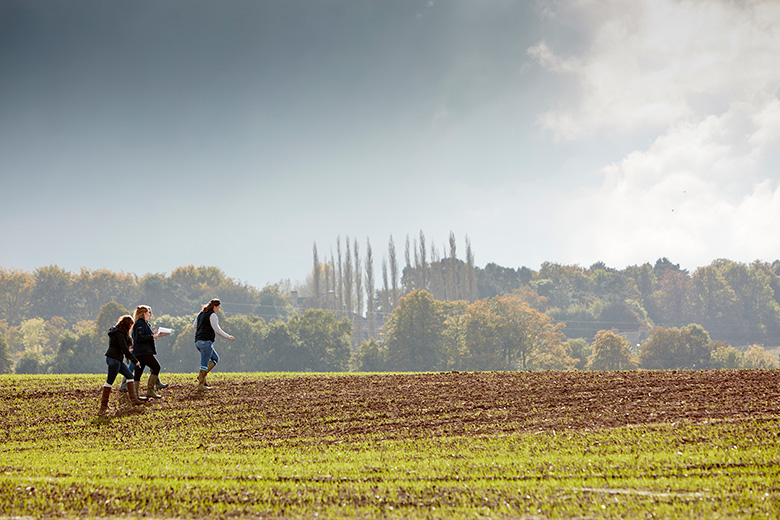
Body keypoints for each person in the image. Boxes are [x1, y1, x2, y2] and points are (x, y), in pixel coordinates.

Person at [99, 315, 144, 415]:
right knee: (109, 381)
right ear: (127, 325)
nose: (131, 327)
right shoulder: (119, 333)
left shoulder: (120, 332)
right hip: (114, 360)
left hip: (117, 360)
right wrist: (134, 360)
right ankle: (103, 406)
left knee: (129, 376)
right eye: (131, 325)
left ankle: (134, 400)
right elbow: (124, 349)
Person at [194, 298, 234, 390]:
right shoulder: (212, 315)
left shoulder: (200, 314)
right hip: (206, 342)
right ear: (214, 307)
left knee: (215, 359)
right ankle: (201, 385)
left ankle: (202, 378)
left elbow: (194, 326)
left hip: (198, 342)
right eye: (218, 307)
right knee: (204, 363)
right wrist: (228, 336)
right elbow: (217, 330)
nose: (218, 310)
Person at [131, 305, 166, 399]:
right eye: (148, 313)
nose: (150, 315)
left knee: (138, 373)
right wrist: (152, 337)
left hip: (140, 352)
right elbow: (139, 338)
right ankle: (150, 391)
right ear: (143, 313)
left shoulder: (142, 323)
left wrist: (153, 334)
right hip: (143, 352)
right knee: (156, 367)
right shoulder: (140, 323)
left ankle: (135, 395)